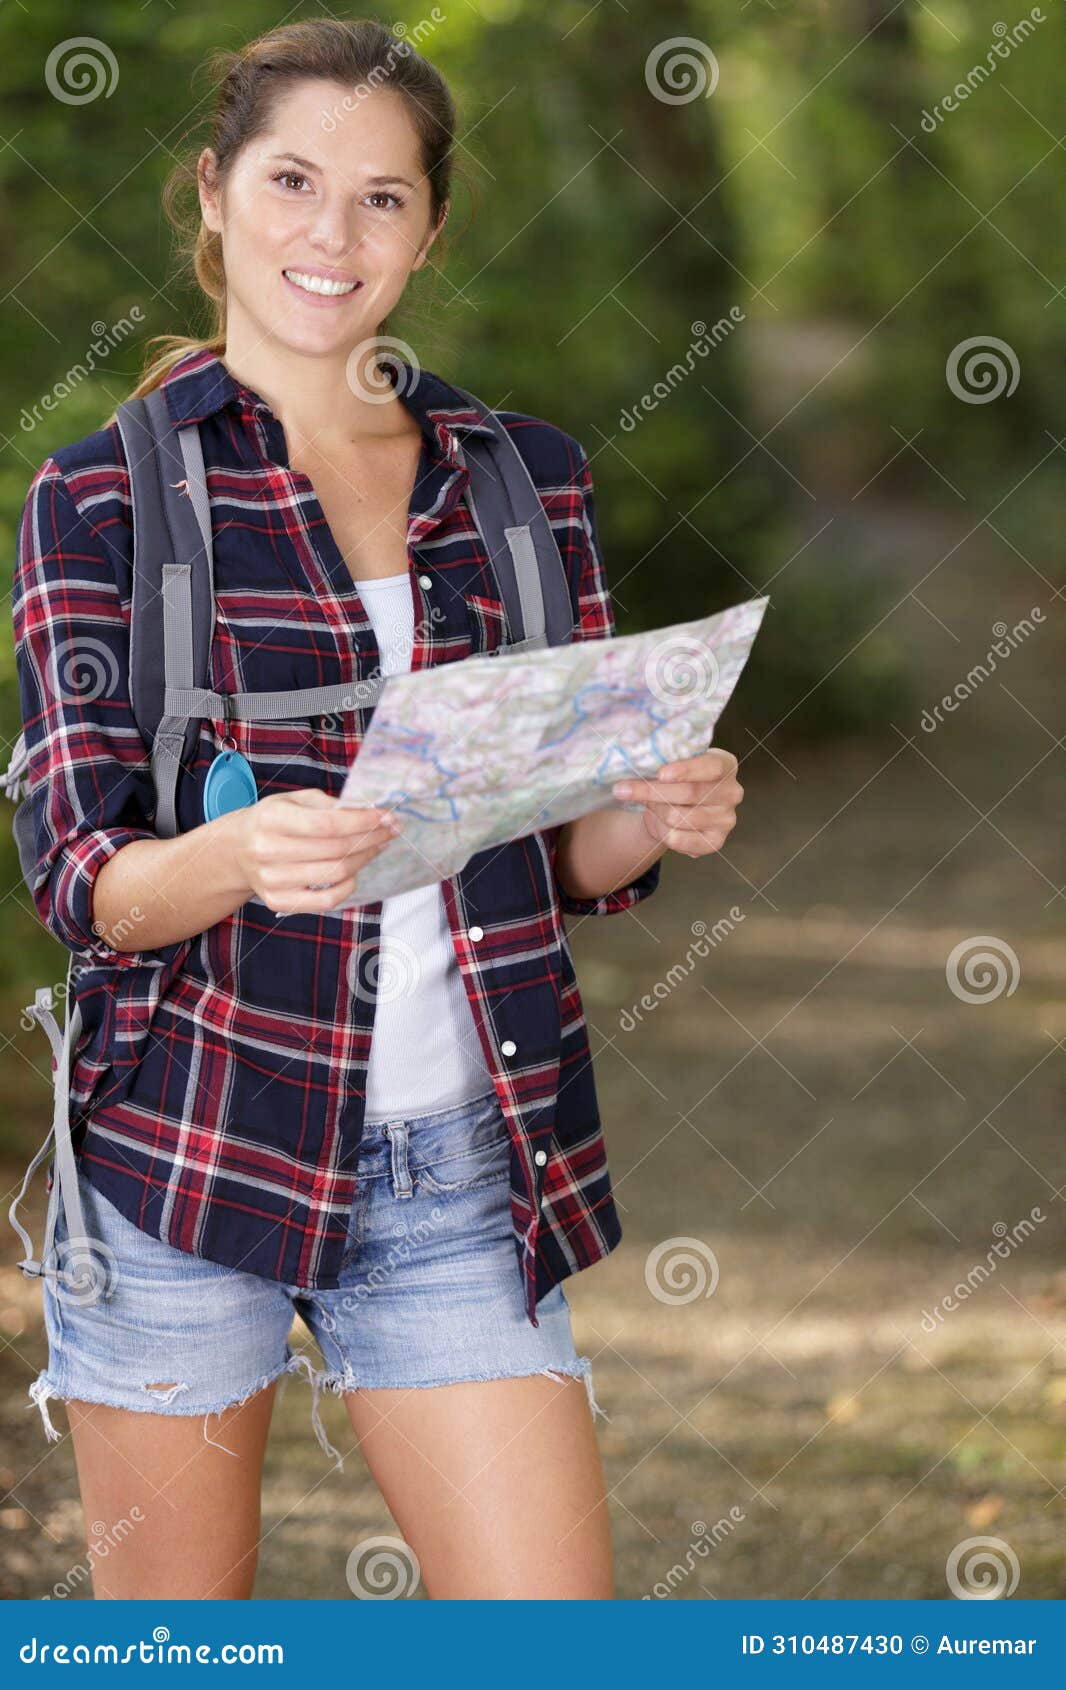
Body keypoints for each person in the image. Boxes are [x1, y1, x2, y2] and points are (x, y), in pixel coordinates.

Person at [11, 17, 743, 1600]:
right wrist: (233, 854)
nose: (331, 234)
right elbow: (83, 881)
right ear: (213, 191)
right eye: (291, 180)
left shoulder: (520, 479)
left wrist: (650, 808)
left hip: (464, 1164)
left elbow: (563, 856)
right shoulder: (101, 497)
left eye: (382, 197)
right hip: (184, 1155)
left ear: (429, 229)